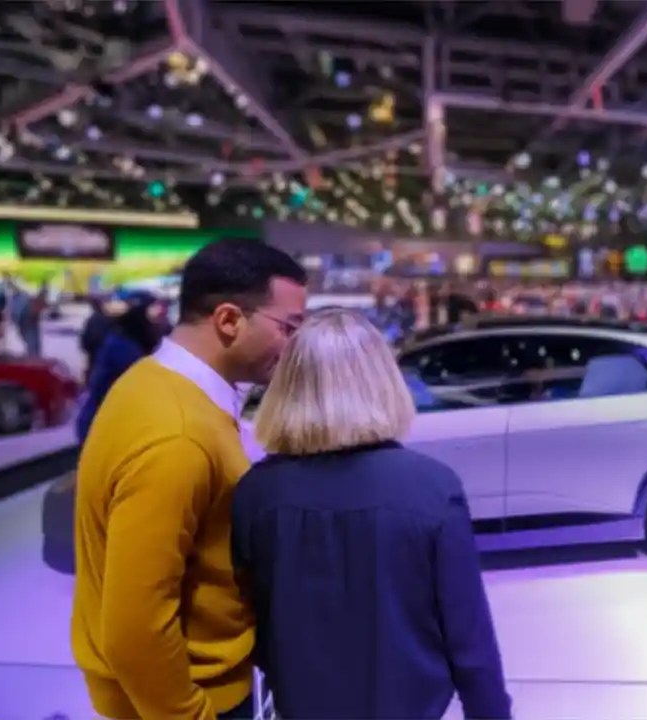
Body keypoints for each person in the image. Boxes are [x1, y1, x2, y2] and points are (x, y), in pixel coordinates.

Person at [231, 309, 512, 719]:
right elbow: (470, 641)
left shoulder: (256, 493)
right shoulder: (433, 488)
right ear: (382, 382)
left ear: (289, 387)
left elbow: (245, 625)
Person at [71, 239, 307, 720]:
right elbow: (135, 629)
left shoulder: (153, 384)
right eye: (288, 328)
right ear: (228, 320)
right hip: (191, 699)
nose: (293, 346)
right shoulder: (178, 436)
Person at [74, 295, 165, 443]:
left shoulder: (123, 341)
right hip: (101, 429)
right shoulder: (124, 348)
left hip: (102, 425)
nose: (159, 321)